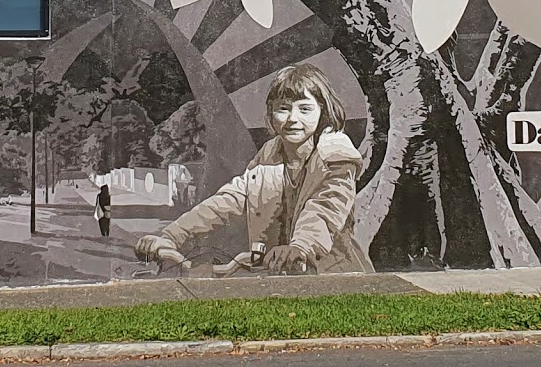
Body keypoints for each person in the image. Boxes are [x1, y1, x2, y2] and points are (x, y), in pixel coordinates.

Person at [134, 64, 372, 275]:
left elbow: (326, 206)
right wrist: (171, 236)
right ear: (271, 112)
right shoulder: (271, 153)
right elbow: (230, 199)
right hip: (279, 273)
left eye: (305, 109)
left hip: (333, 273)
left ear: (323, 112)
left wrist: (301, 246)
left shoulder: (336, 156)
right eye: (283, 108)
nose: (292, 118)